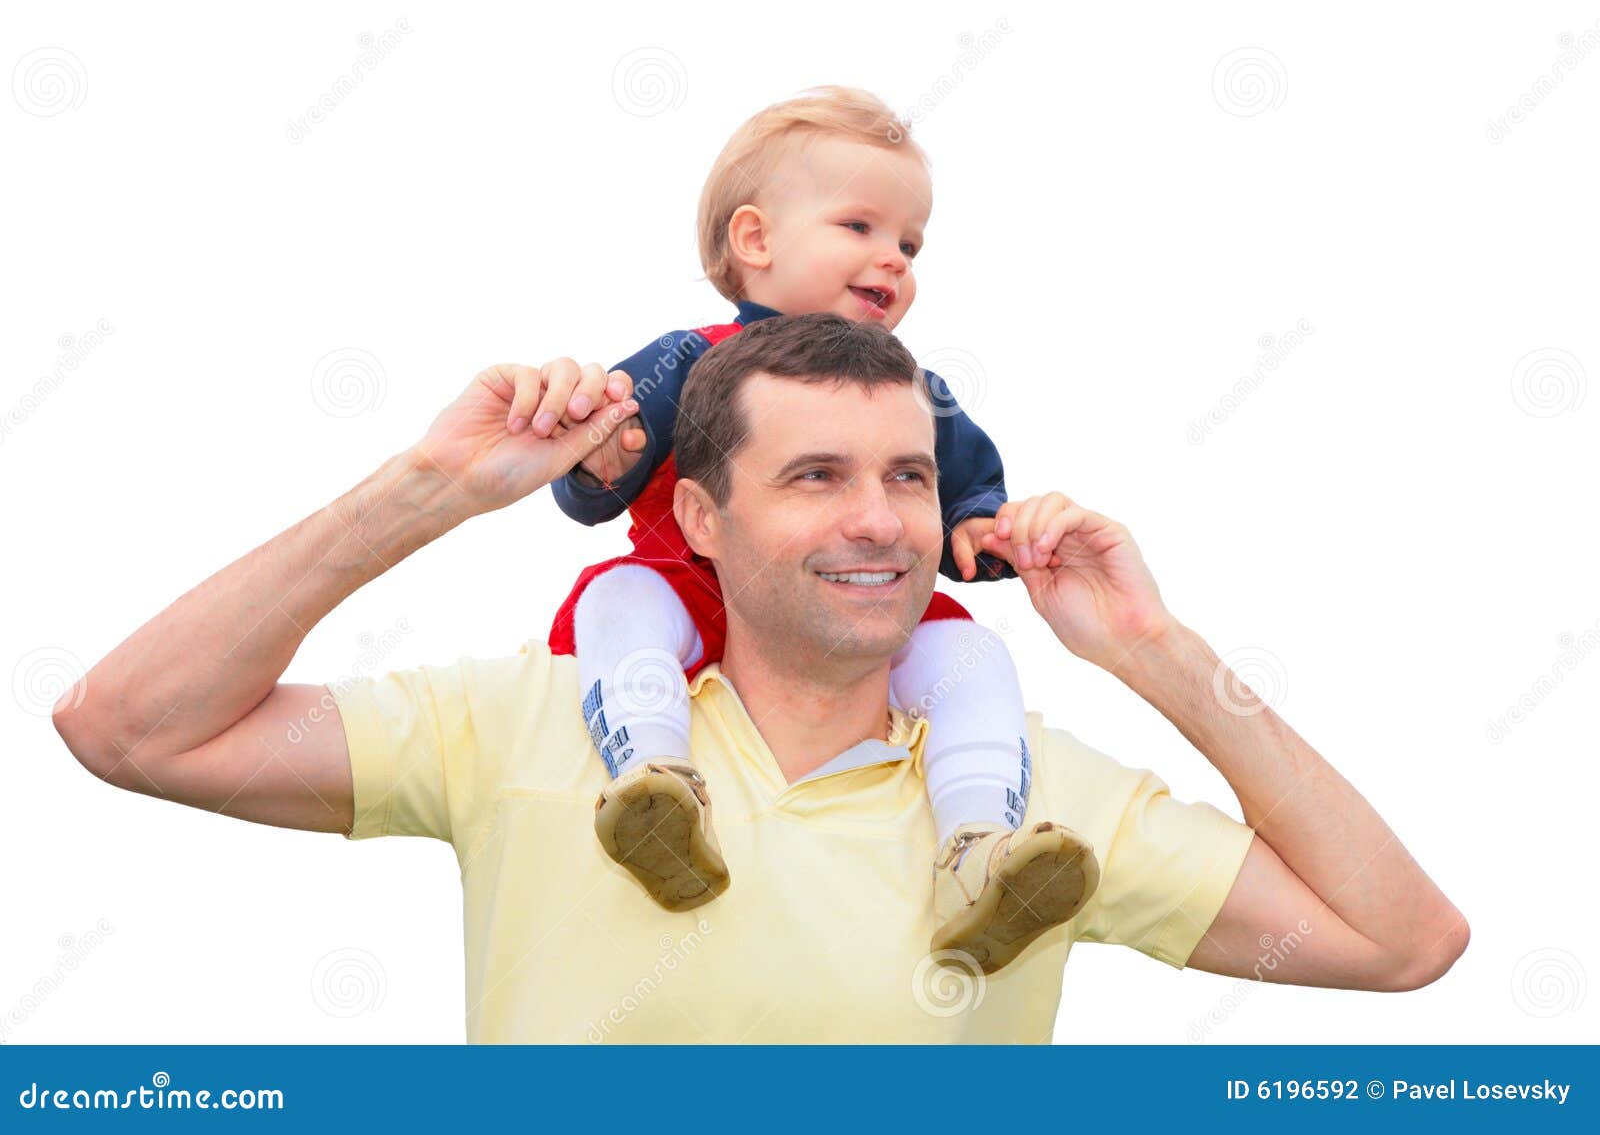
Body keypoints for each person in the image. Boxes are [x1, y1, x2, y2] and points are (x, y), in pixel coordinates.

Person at [51, 313, 1469, 1043]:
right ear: (705, 524)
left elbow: (1399, 941)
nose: (882, 519)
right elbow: (129, 726)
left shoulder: (1036, 799)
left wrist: (1160, 655)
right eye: (818, 476)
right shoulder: (521, 724)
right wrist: (429, 489)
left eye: (909, 477)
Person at [538, 86, 1094, 970]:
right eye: (861, 227)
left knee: (976, 658)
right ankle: (653, 785)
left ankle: (979, 847)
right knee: (618, 597)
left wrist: (986, 531)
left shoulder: (909, 386)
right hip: (692, 590)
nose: (895, 258)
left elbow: (963, 497)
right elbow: (596, 469)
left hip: (845, 611)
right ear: (755, 240)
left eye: (910, 243)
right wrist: (600, 459)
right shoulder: (688, 357)